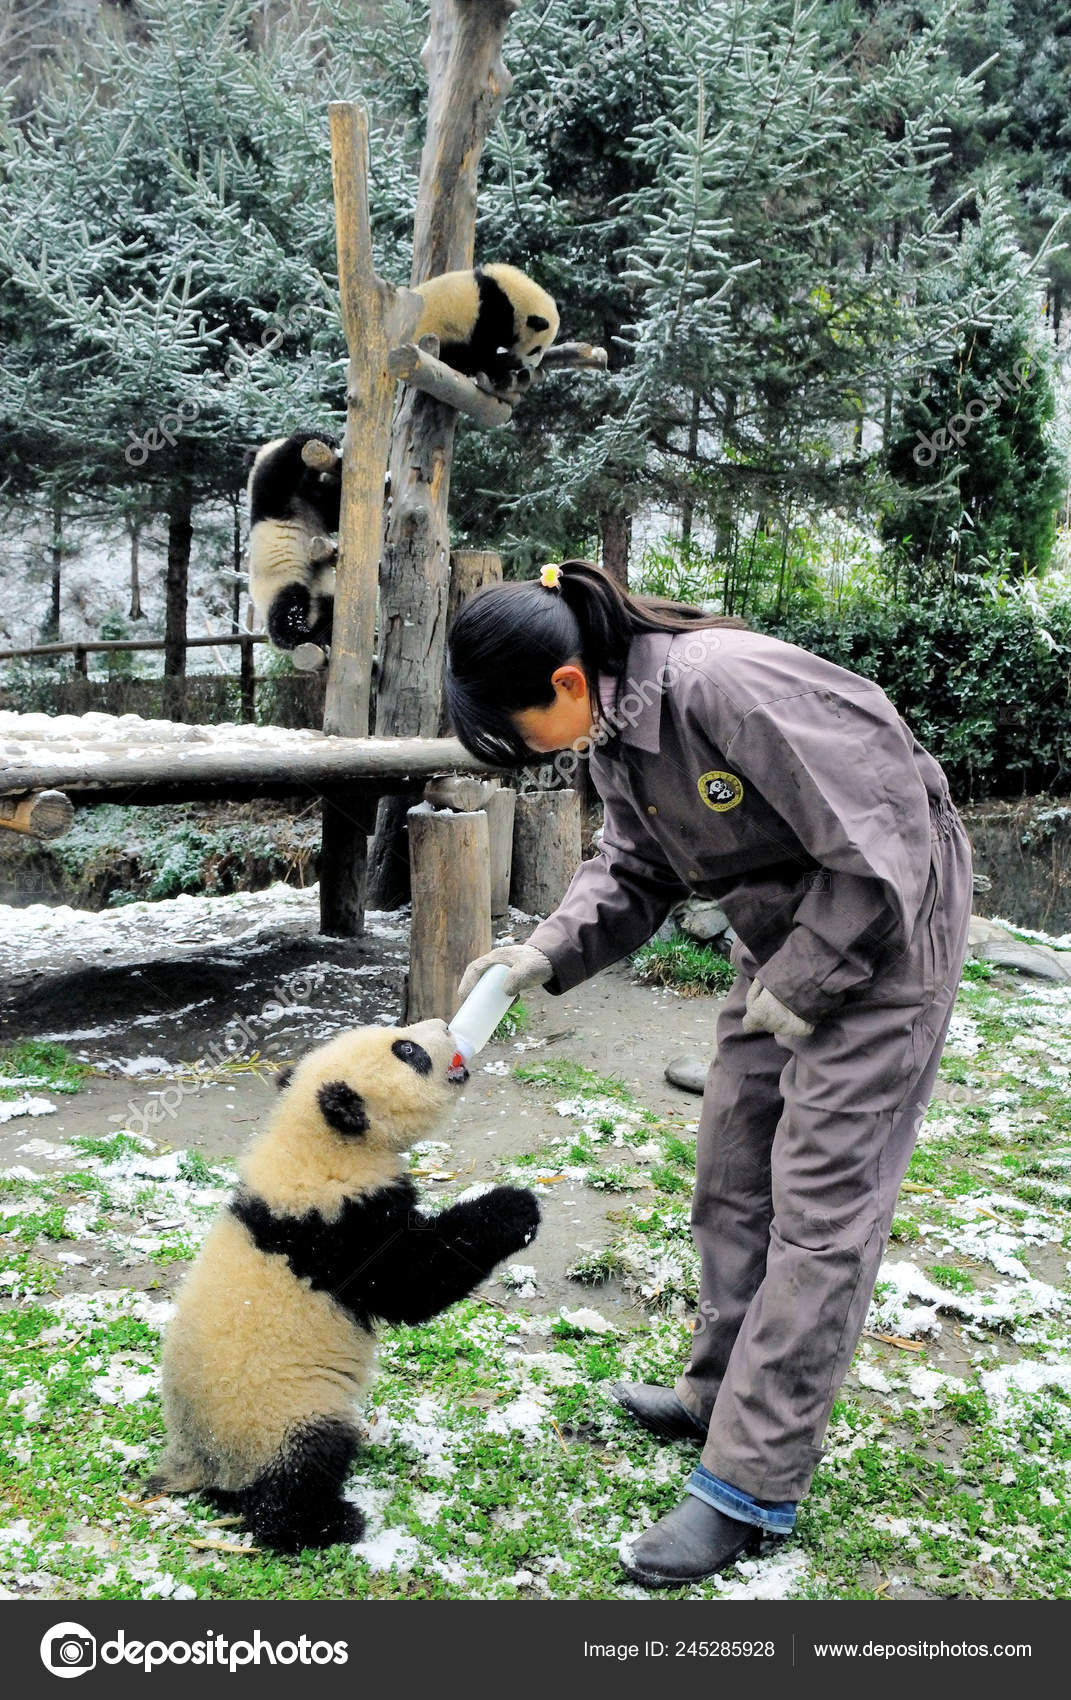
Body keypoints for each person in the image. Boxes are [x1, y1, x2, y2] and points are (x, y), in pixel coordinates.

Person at [447, 559, 972, 1589]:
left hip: (885, 921)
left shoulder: (723, 683)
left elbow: (886, 842)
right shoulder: (613, 725)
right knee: (734, 1163)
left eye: (522, 735)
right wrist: (544, 951)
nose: (533, 757)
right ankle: (717, 1392)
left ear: (564, 682)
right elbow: (633, 864)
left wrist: (811, 979)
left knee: (820, 1206)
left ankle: (750, 1480)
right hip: (784, 923)